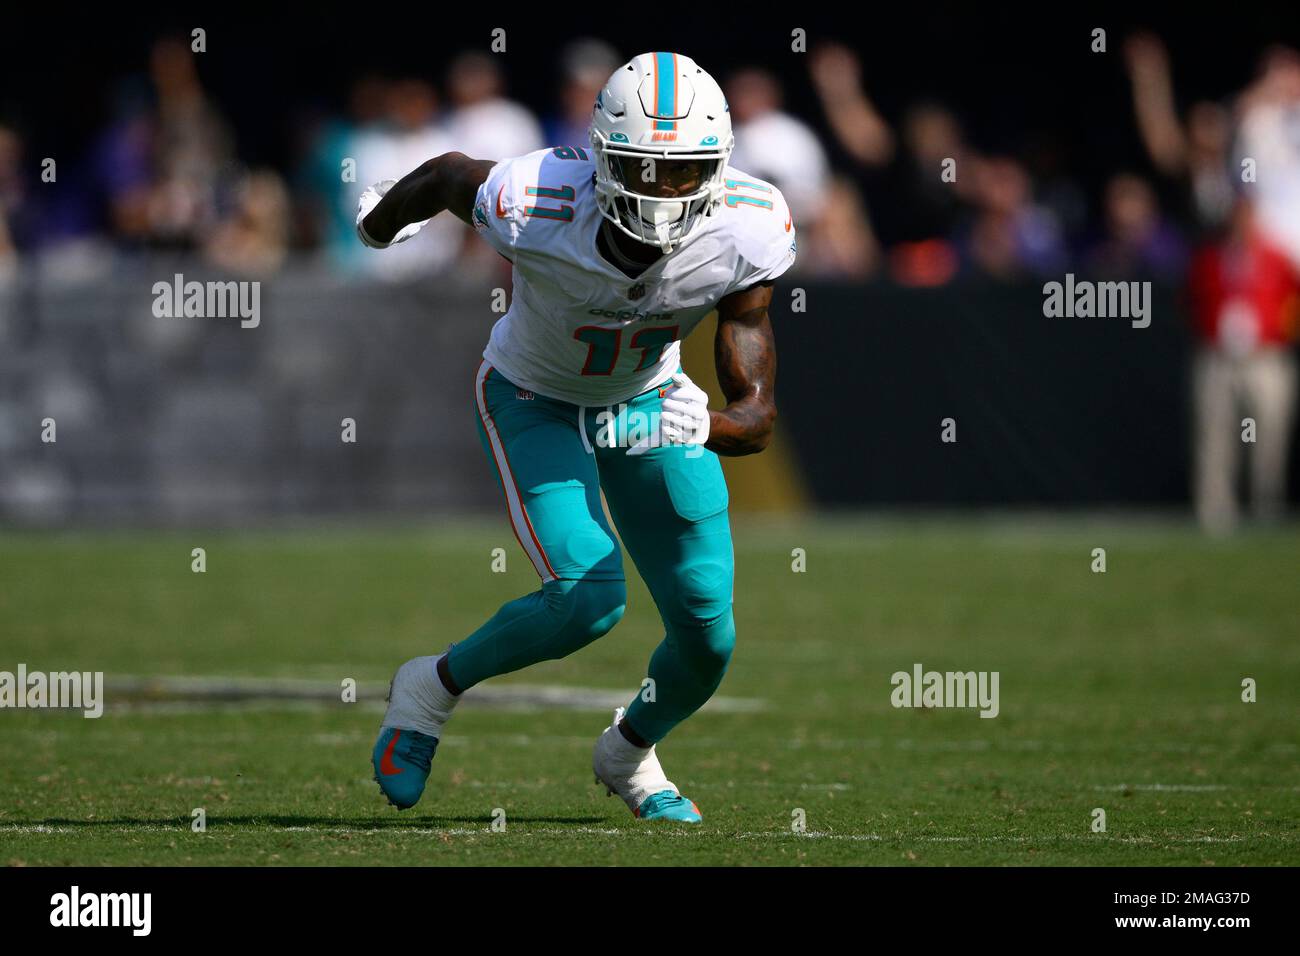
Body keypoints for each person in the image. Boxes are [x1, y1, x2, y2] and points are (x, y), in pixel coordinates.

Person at [356, 52, 795, 822]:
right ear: (600, 156)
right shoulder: (535, 198)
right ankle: (428, 689)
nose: (663, 193)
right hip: (535, 396)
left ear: (718, 167)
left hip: (649, 404)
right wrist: (379, 222)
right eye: (642, 169)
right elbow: (447, 173)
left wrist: (709, 423)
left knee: (707, 635)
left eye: (684, 172)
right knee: (588, 600)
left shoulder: (746, 228)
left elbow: (756, 416)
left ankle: (630, 753)